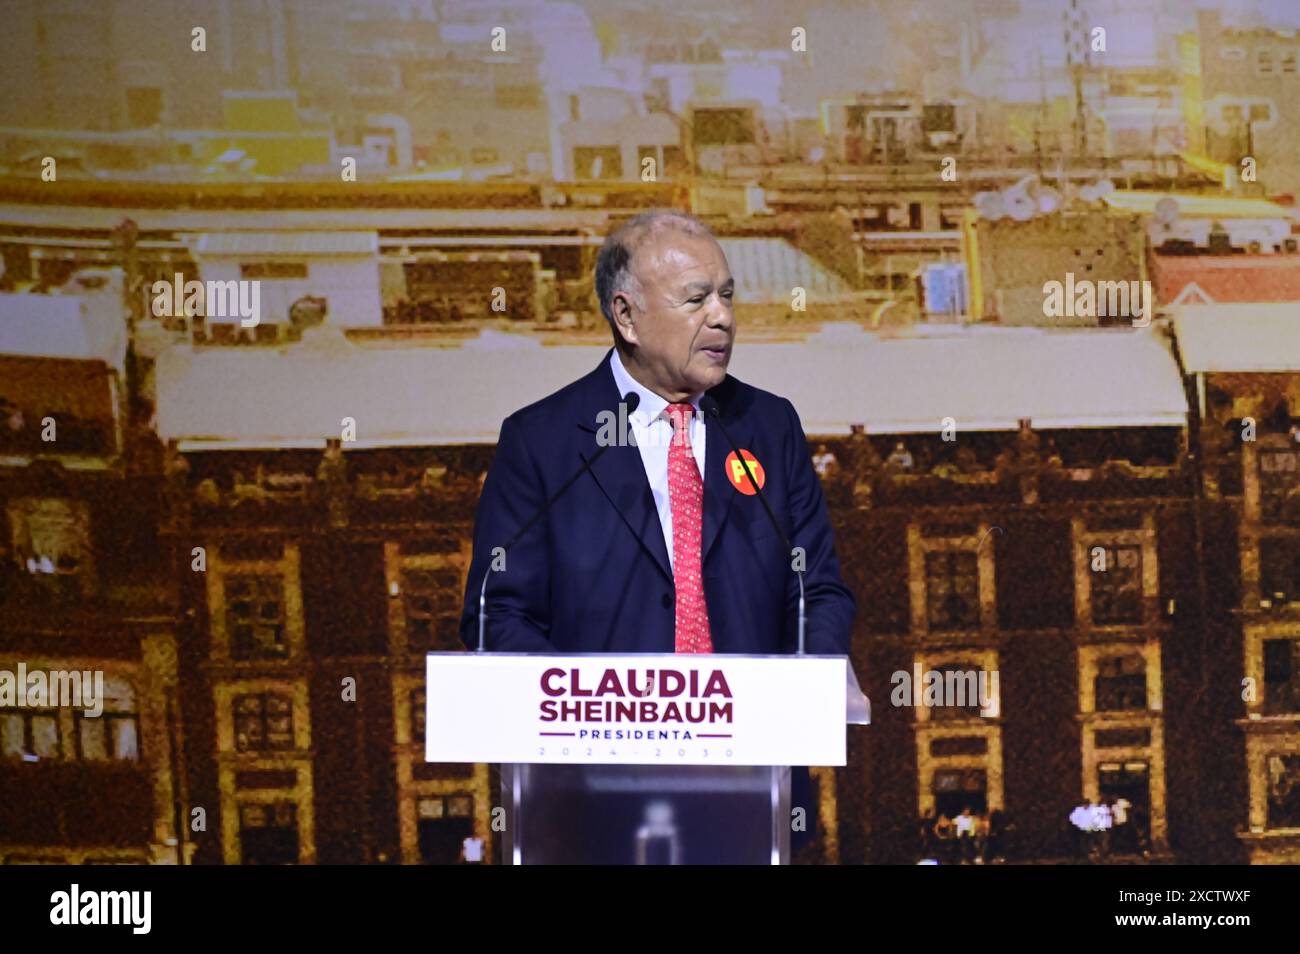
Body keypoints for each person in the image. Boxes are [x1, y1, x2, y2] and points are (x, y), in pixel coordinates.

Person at [458, 209, 857, 852]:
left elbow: (818, 590)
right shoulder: (542, 441)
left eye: (727, 295)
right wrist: (594, 716)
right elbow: (496, 613)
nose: (722, 317)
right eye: (696, 299)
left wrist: (807, 682)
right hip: (592, 802)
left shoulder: (768, 425)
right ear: (626, 315)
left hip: (752, 793)